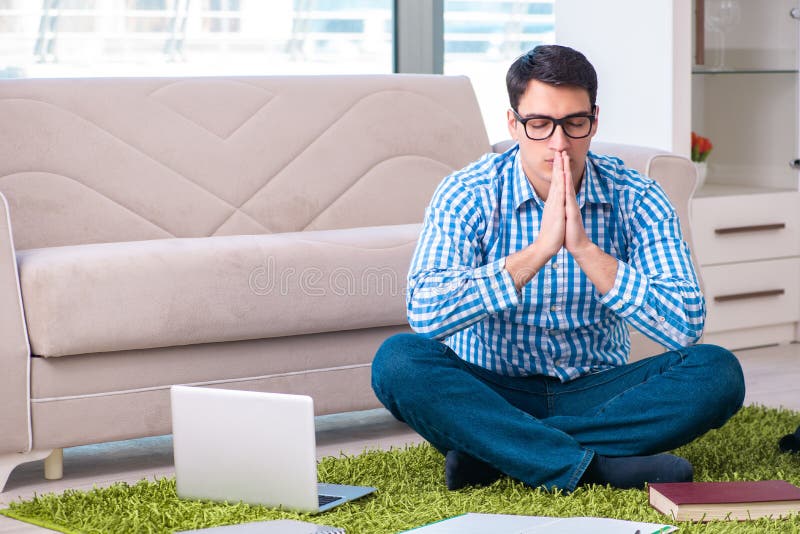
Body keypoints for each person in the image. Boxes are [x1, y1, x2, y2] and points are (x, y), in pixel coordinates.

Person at [371, 44, 745, 492]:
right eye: (539, 124)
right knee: (398, 361)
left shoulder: (637, 195)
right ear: (513, 124)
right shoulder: (468, 192)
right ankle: (596, 465)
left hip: (597, 391)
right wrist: (537, 252)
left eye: (574, 123)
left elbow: (685, 324)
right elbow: (426, 313)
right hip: (493, 391)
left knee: (718, 372)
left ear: (594, 121)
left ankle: (496, 454)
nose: (559, 142)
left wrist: (584, 250)